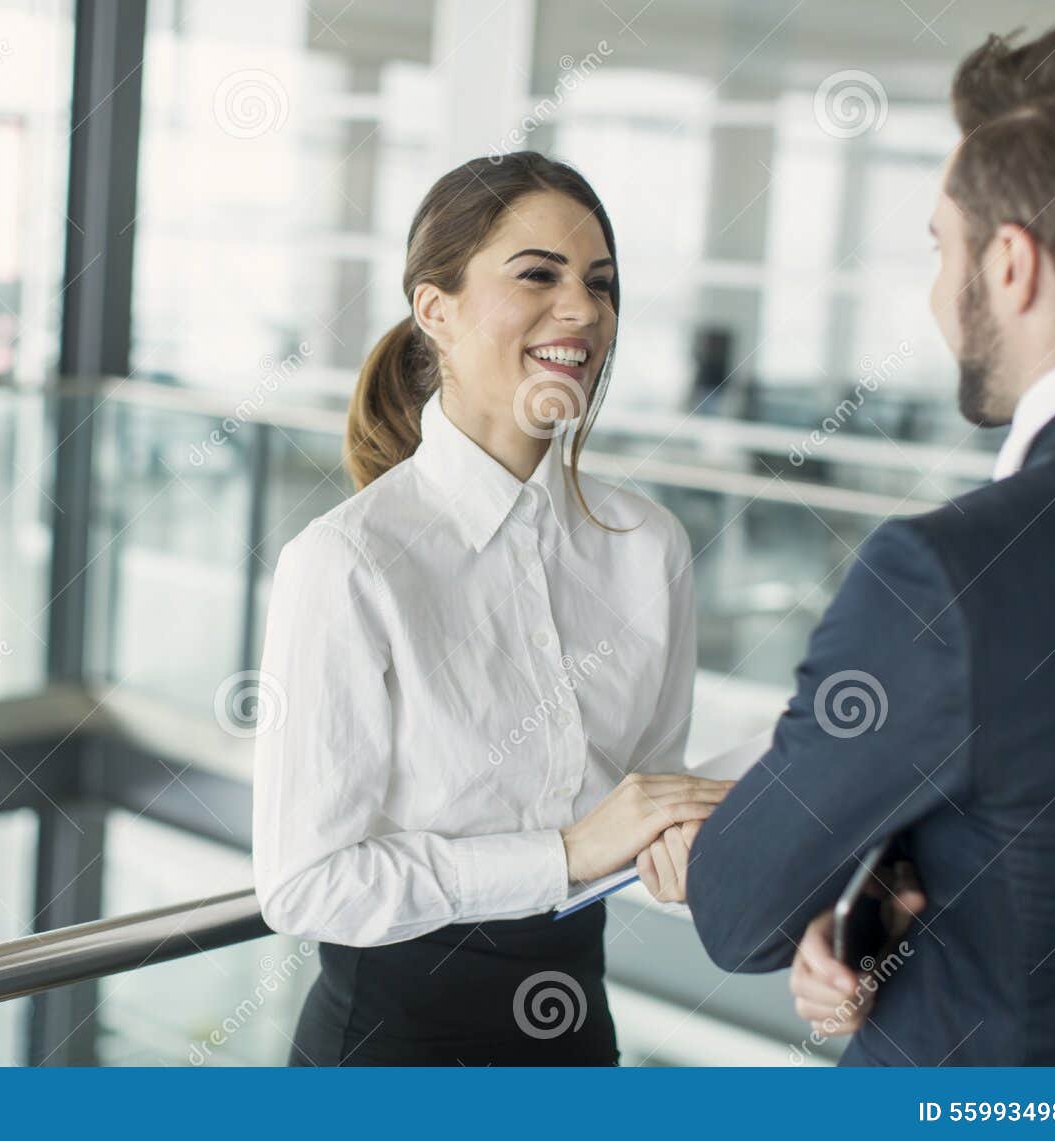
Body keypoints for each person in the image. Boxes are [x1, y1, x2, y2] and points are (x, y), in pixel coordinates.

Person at [683, 8, 1055, 1065]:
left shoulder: (950, 573)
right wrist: (889, 881)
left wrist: (774, 854)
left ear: (1010, 264)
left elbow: (736, 905)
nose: (933, 289)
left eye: (939, 247)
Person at [251, 152, 730, 1066]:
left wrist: (673, 840)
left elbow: (643, 803)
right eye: (538, 275)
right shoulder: (348, 564)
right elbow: (305, 884)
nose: (583, 310)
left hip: (576, 1039)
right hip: (389, 1058)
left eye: (600, 282)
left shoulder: (650, 545)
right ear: (436, 311)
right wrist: (567, 852)